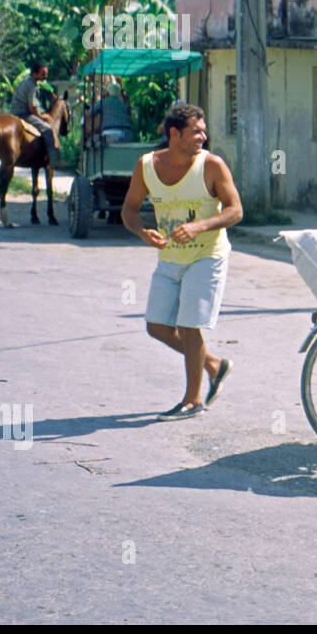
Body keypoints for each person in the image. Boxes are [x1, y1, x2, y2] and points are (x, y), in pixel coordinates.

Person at [122, 103, 242, 421]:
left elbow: (235, 210)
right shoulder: (146, 165)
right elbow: (130, 209)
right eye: (196, 131)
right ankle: (214, 365)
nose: (203, 136)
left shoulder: (212, 165)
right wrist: (143, 232)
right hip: (170, 258)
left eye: (204, 130)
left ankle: (193, 400)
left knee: (190, 326)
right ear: (174, 134)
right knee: (157, 326)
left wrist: (199, 226)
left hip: (208, 256)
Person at [9, 60, 58, 163]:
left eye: (46, 73)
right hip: (23, 114)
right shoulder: (32, 86)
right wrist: (42, 117)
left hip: (14, 112)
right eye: (43, 74)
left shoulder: (26, 81)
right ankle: (53, 160)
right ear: (35, 73)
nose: (45, 76)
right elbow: (32, 108)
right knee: (47, 129)